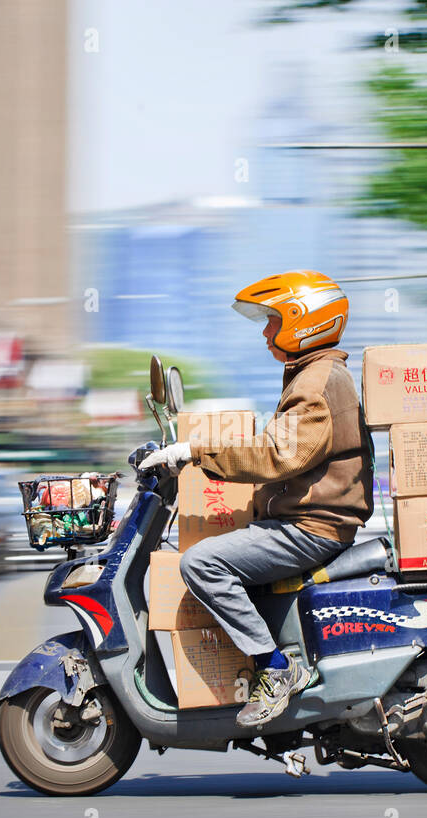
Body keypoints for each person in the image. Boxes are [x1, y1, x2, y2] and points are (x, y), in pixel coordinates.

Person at [139, 270, 373, 728]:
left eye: (273, 321)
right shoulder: (313, 375)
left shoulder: (315, 385)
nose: (266, 333)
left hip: (312, 526)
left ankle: (277, 670)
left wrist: (194, 452)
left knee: (201, 563)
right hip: (307, 519)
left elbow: (278, 455)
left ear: (303, 322)